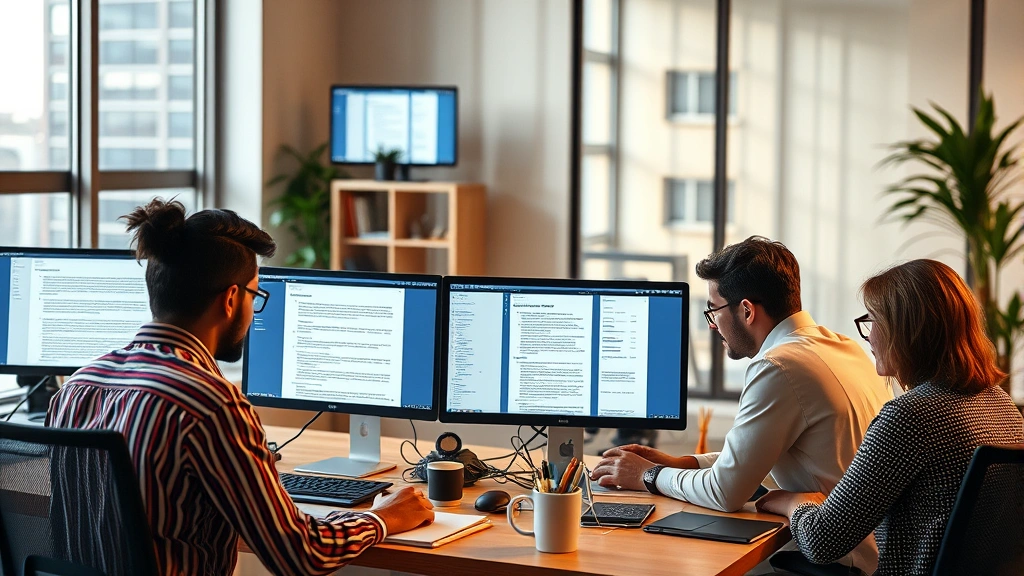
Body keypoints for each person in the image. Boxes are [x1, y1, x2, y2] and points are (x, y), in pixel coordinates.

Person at [47, 199, 434, 576]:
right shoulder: (210, 405)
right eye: (256, 295)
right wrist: (382, 517)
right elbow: (301, 555)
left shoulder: (75, 389)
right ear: (232, 299)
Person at [590, 236, 891, 574]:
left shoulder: (779, 366)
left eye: (713, 311)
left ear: (746, 310)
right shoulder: (842, 346)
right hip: (866, 551)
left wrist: (648, 475)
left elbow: (725, 492)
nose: (713, 325)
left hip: (830, 563)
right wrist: (685, 462)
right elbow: (757, 449)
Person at [756, 259, 1024, 575]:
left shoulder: (910, 417)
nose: (868, 336)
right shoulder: (1001, 404)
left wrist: (792, 502)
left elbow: (822, 543)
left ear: (907, 329)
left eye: (873, 321)